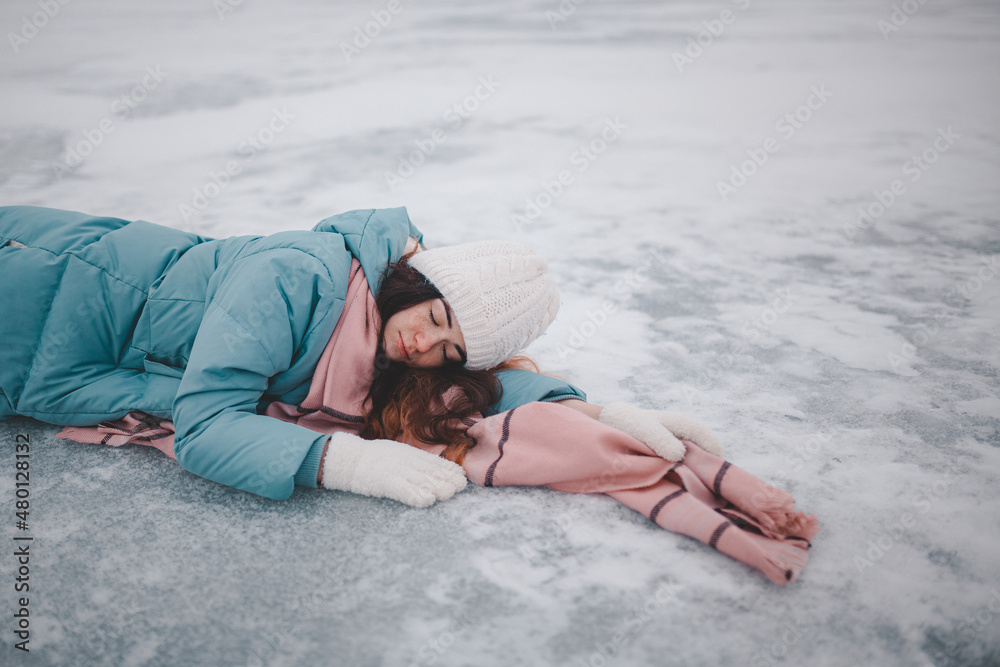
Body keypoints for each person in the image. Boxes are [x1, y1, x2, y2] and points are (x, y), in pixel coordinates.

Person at [0, 205, 717, 504]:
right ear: (420, 278)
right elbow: (207, 424)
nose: (424, 344)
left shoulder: (376, 334)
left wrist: (595, 411)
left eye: (450, 349)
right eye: (435, 315)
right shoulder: (296, 277)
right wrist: (339, 460)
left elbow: (486, 387)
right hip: (25, 288)